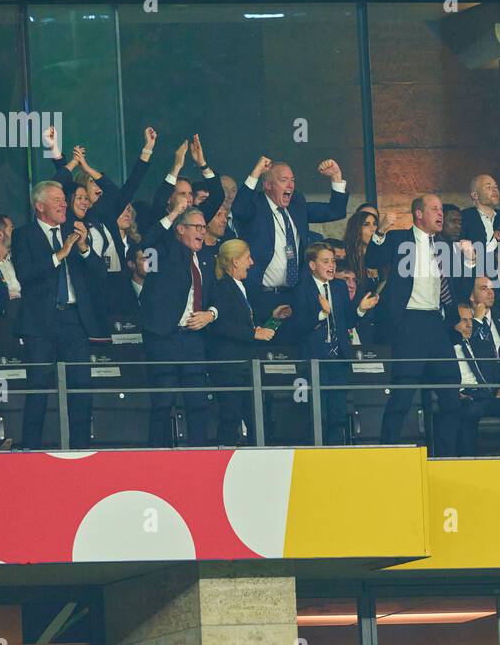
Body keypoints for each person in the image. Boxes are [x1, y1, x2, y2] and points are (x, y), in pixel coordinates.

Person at [11, 181, 107, 449]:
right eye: (57, 200)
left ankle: (80, 448)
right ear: (39, 206)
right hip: (40, 323)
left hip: (75, 320)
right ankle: (31, 449)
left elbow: (99, 274)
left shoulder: (75, 231)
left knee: (80, 388)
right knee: (38, 388)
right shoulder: (24, 235)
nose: (64, 204)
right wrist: (59, 255)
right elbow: (26, 275)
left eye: (64, 199)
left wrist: (85, 248)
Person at [366, 194, 462, 457]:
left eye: (441, 209)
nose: (440, 214)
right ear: (419, 214)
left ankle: (445, 456)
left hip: (437, 323)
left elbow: (453, 287)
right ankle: (389, 453)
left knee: (451, 391)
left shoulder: (445, 246)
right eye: (434, 209)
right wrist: (381, 230)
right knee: (403, 394)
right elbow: (372, 261)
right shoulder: (399, 239)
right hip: (408, 322)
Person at [138, 203, 223, 447]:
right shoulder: (163, 252)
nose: (202, 232)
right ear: (181, 229)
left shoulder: (206, 259)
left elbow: (218, 296)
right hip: (163, 338)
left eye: (204, 228)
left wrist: (210, 314)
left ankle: (199, 453)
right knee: (163, 403)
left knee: (197, 402)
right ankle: (157, 456)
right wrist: (174, 213)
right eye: (196, 227)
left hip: (193, 340)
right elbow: (148, 241)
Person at [231, 153, 349, 320]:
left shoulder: (296, 204)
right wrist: (256, 172)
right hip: (262, 296)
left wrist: (336, 177)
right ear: (268, 185)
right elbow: (238, 210)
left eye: (292, 180)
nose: (290, 185)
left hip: (295, 294)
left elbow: (335, 211)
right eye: (283, 180)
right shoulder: (255, 205)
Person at [282, 242, 377, 445]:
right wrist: (321, 314)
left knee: (338, 412)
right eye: (325, 261)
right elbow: (297, 327)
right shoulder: (301, 290)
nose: (331, 266)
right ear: (312, 265)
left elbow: (347, 321)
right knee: (319, 413)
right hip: (316, 359)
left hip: (339, 358)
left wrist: (360, 309)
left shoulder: (339, 287)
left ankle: (335, 452)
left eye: (333, 261)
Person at [48, 125, 154, 274]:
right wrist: (54, 150)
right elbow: (62, 184)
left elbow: (132, 184)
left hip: (119, 286)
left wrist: (148, 148)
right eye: (93, 182)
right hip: (92, 290)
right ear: (83, 187)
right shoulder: (73, 218)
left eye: (99, 182)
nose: (99, 186)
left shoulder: (108, 211)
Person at [205, 240, 276, 445]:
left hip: (244, 364)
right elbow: (220, 325)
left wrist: (271, 315)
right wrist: (253, 334)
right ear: (235, 261)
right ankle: (222, 461)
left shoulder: (239, 286)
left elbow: (241, 317)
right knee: (231, 416)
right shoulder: (220, 286)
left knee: (254, 417)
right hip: (229, 365)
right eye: (247, 258)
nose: (251, 262)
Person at [449, 302, 500, 456]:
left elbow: (498, 372)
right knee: (470, 412)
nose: (469, 325)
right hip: (467, 397)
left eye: (471, 320)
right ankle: (469, 465)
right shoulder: (444, 350)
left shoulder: (482, 346)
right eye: (464, 320)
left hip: (489, 396)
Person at [342, 207, 382, 299]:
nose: (373, 229)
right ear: (356, 230)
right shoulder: (348, 258)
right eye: (366, 225)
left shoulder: (381, 257)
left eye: (375, 224)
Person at [460, 174, 500, 248]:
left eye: (496, 187)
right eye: (488, 187)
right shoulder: (464, 218)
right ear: (475, 195)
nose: (495, 190)